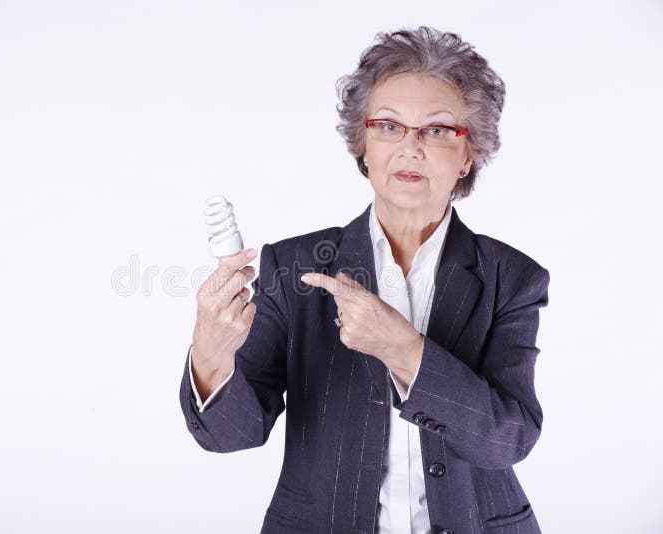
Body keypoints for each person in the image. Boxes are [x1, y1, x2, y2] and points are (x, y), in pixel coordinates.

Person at [180, 26, 550, 534]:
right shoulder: (293, 267)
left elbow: (509, 438)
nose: (411, 147)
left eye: (438, 130)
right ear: (364, 144)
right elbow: (231, 435)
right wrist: (211, 354)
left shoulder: (512, 277)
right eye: (389, 127)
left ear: (469, 154)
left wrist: (404, 349)